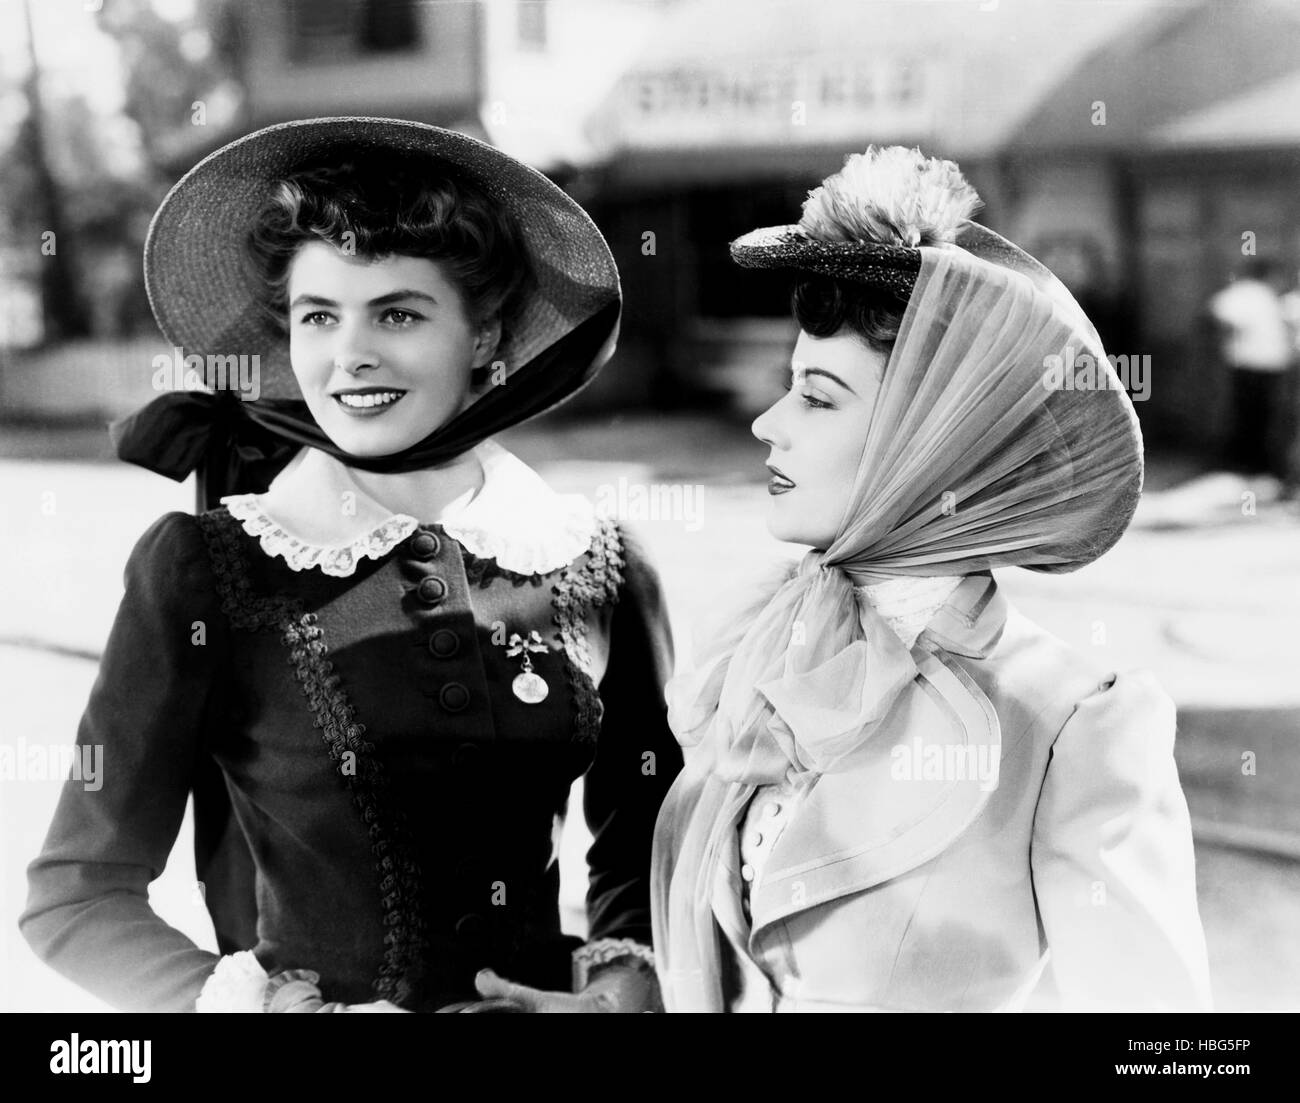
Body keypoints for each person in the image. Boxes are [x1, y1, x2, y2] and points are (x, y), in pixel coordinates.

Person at [20, 118, 683, 1013]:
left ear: (485, 333)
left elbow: (646, 827)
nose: (351, 354)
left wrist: (617, 984)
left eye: (399, 314)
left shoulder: (595, 561)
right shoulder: (206, 568)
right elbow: (75, 895)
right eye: (319, 316)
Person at [651, 146, 1212, 1013]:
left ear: (934, 441)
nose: (769, 423)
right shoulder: (773, 643)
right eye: (787, 386)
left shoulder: (1071, 717)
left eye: (819, 396)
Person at [1208, 258, 1294, 478]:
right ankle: (1248, 464)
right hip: (1251, 367)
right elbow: (1218, 312)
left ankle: (1258, 464)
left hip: (1269, 367)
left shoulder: (1270, 297)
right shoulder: (1245, 293)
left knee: (1263, 417)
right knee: (1251, 417)